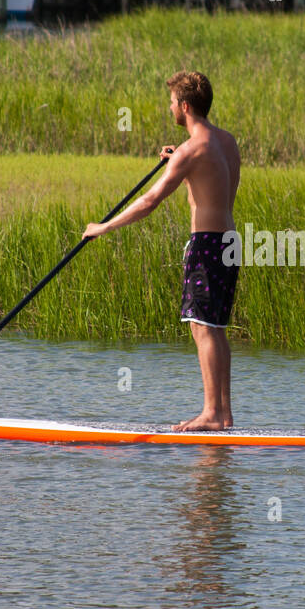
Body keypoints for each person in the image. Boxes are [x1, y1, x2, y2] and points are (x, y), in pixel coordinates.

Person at [82, 72, 240, 432]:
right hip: (230, 243)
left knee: (203, 329)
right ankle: (223, 413)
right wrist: (180, 163)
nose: (169, 107)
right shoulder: (226, 142)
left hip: (208, 246)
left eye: (171, 102)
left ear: (184, 107)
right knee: (215, 329)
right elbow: (212, 179)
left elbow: (151, 201)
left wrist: (103, 227)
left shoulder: (191, 151)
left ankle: (212, 414)